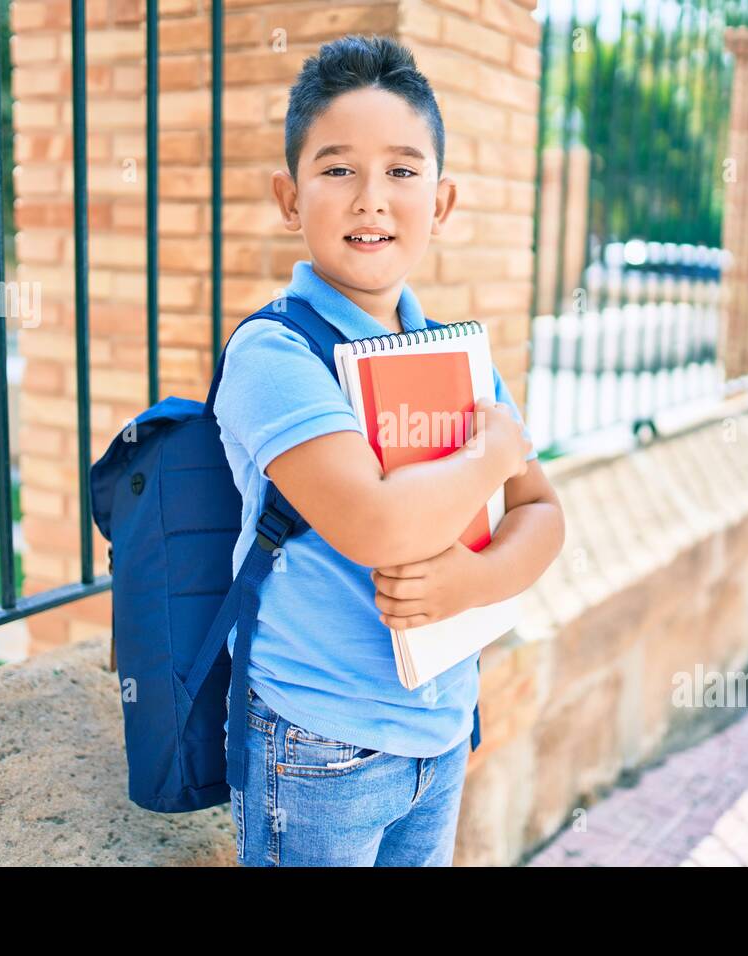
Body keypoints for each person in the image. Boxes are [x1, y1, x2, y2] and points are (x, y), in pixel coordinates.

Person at [214, 33, 566, 866]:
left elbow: (544, 513)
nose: (372, 199)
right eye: (337, 169)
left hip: (442, 737)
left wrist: (475, 582)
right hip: (315, 745)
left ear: (441, 203)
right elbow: (375, 525)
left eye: (403, 171)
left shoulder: (454, 353)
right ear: (289, 197)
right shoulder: (276, 355)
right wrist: (490, 455)